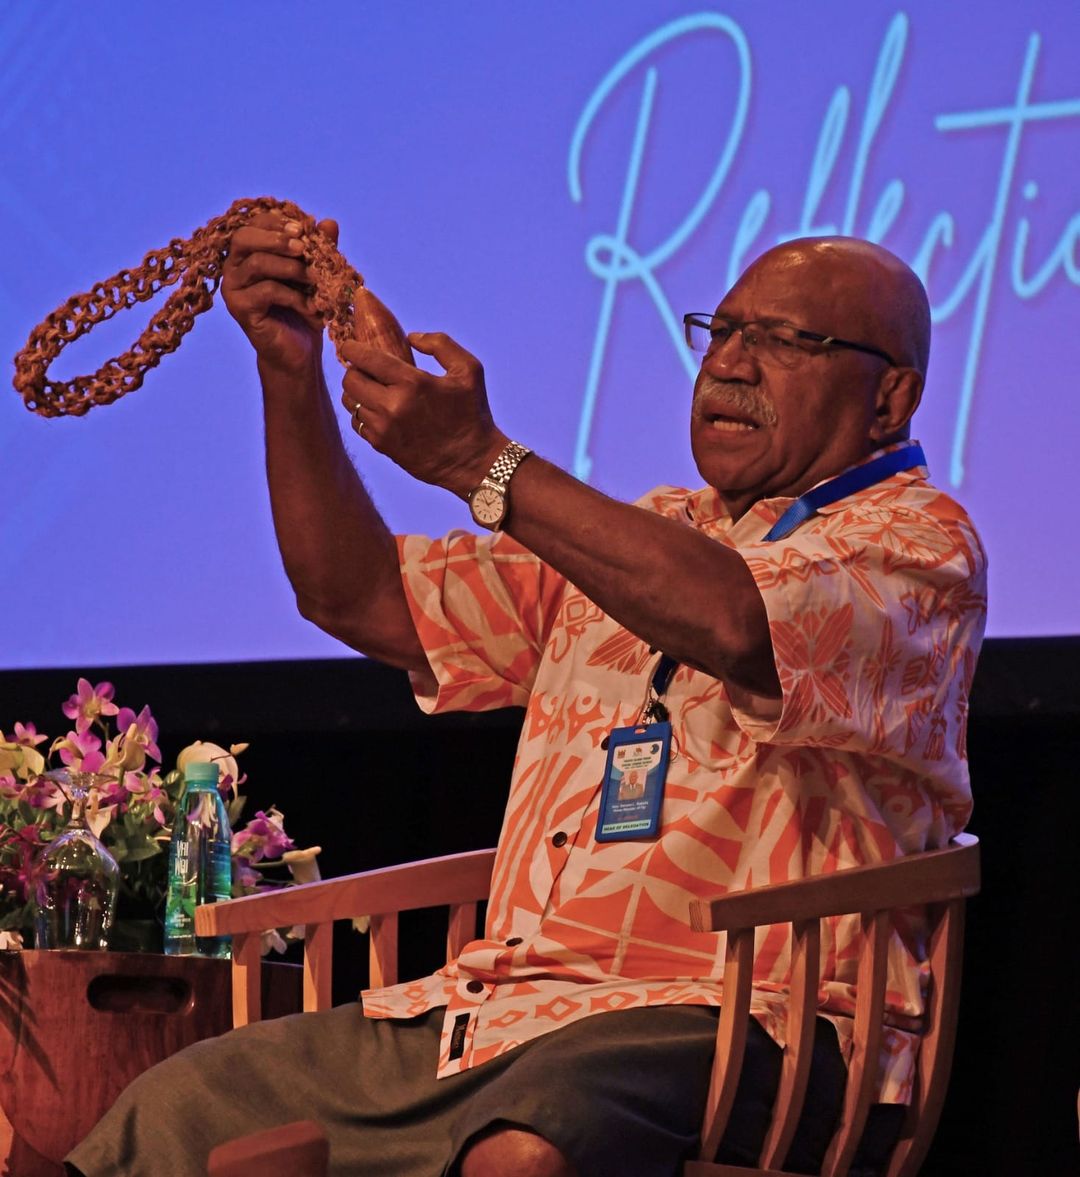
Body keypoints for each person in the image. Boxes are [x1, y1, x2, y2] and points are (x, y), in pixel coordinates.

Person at [67, 224, 986, 1177]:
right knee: (181, 1105)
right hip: (510, 1008)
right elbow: (363, 596)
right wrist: (292, 380)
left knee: (528, 1143)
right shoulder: (647, 532)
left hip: (753, 1021)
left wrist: (480, 462)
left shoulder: (918, 547)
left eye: (788, 341)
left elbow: (732, 619)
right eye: (720, 331)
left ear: (891, 395)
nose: (731, 364)